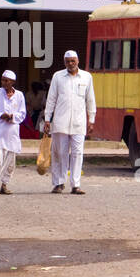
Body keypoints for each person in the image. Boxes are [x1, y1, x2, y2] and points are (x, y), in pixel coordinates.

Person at [44, 49, 96, 194]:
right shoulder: (58, 76)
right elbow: (51, 98)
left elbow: (90, 99)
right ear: (64, 62)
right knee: (60, 154)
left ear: (77, 61)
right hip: (60, 122)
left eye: (73, 61)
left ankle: (75, 185)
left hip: (79, 123)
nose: (71, 64)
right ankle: (59, 183)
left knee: (77, 154)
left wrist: (91, 119)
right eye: (68, 61)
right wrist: (47, 119)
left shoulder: (86, 77)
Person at [0, 70, 26, 194]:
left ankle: (4, 185)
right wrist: (0, 115)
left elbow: (22, 113)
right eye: (2, 80)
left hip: (12, 133)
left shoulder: (19, 95)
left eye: (6, 80)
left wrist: (12, 117)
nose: (4, 82)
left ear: (12, 82)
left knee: (10, 162)